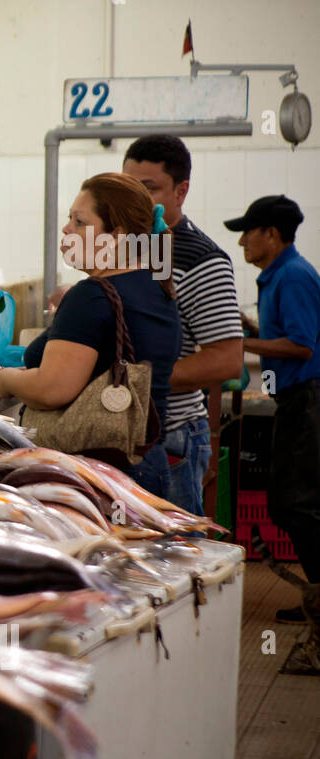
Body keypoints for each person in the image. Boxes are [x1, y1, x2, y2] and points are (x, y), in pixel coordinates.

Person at [0, 173, 182, 495]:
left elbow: (53, 389)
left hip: (98, 475)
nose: (67, 230)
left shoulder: (92, 295)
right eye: (69, 219)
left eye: (80, 222)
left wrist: (6, 381)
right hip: (148, 467)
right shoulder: (158, 290)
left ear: (117, 237)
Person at [122, 136, 243, 516]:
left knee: (170, 556)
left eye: (150, 189)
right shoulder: (128, 249)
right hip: (124, 432)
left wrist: (140, 380)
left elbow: (225, 362)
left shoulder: (203, 261)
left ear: (181, 190)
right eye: (128, 188)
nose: (137, 201)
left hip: (171, 436)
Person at [227, 195, 320, 651]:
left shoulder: (294, 276)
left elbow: (302, 346)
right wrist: (252, 334)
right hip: (295, 399)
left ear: (273, 235)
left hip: (308, 399)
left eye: (249, 231)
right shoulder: (278, 276)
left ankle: (319, 601)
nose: (243, 240)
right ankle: (316, 598)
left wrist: (242, 345)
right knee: (289, 504)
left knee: (297, 504)